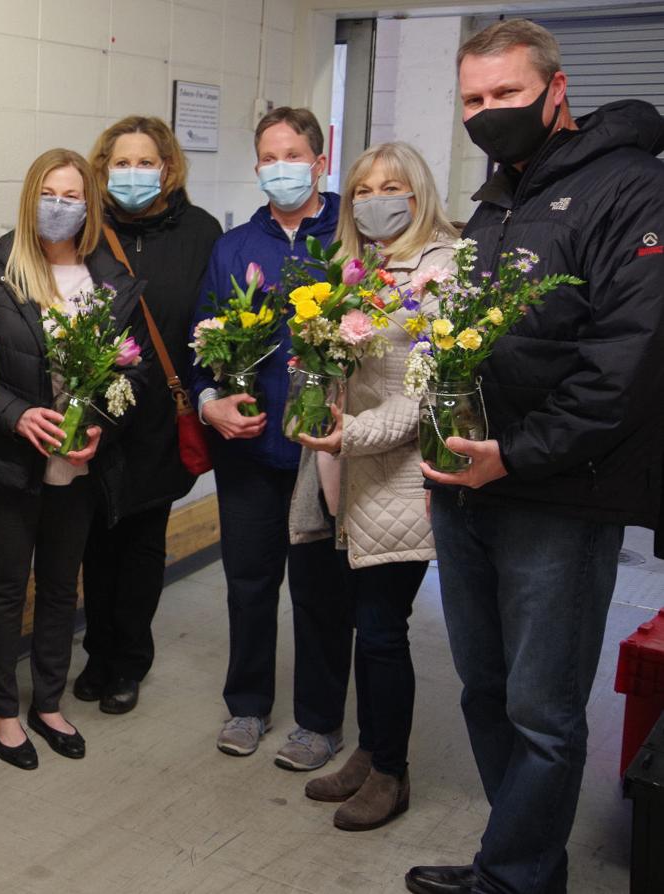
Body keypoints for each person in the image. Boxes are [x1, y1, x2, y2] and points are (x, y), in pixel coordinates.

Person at [406, 19, 664, 894]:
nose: (488, 112)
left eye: (506, 93)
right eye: (472, 99)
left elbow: (627, 365)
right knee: (483, 690)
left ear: (556, 90)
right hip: (470, 485)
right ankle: (520, 865)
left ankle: (514, 877)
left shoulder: (632, 189)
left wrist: (512, 455)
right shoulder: (497, 199)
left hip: (558, 494)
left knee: (542, 711)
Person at [289, 142, 457, 832]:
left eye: (391, 187)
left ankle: (391, 774)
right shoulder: (355, 268)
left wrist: (349, 434)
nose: (374, 200)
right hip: (347, 474)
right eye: (361, 189)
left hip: (401, 478)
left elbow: (429, 394)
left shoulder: (441, 270)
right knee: (366, 625)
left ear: (418, 195)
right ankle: (370, 750)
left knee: (384, 629)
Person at [0, 148, 146, 768]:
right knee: (6, 588)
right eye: (49, 194)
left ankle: (48, 702)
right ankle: (3, 712)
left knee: (61, 588)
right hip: (8, 462)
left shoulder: (111, 280)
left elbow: (135, 374)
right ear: (29, 198)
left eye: (72, 197)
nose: (59, 206)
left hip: (78, 464)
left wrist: (101, 429)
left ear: (89, 206)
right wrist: (17, 415)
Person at [188, 107, 352, 771]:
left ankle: (319, 721)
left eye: (294, 155)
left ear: (320, 162)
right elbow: (201, 342)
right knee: (249, 583)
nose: (280, 168)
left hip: (324, 451)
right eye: (268, 157)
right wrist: (212, 407)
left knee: (321, 592)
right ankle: (248, 705)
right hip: (250, 451)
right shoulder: (233, 247)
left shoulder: (351, 236)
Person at [73, 116, 222, 715]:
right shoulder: (86, 228)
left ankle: (130, 659)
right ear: (102, 169)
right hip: (98, 414)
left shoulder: (201, 232)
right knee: (96, 542)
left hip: (162, 415)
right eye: (121, 163)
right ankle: (97, 653)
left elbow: (212, 322)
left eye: (145, 162)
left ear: (167, 168)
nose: (132, 173)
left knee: (141, 544)